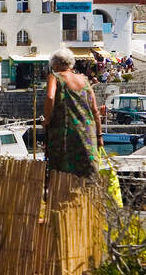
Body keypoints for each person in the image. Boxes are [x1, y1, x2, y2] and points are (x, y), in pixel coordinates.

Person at [42, 49, 104, 179]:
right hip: (87, 134)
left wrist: (47, 119)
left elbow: (50, 97)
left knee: (62, 176)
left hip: (64, 134)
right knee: (88, 174)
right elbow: (95, 111)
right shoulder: (84, 80)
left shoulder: (55, 77)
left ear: (55, 65)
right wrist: (99, 135)